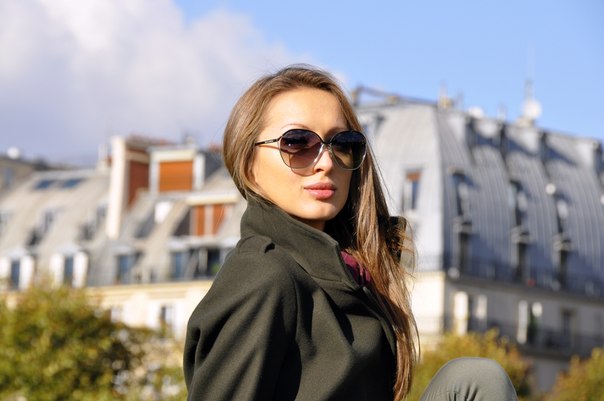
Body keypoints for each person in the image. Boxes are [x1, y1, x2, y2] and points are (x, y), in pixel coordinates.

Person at [183, 65, 518, 401]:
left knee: (474, 380)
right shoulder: (264, 274)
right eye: (297, 143)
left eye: (342, 144)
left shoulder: (351, 275)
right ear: (248, 166)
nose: (326, 162)